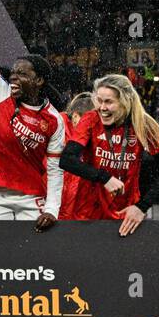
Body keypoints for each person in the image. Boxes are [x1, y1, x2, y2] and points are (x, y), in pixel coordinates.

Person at [0, 0, 67, 229]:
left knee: (31, 261)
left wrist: (52, 209)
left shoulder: (54, 120)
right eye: (12, 73)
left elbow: (55, 169)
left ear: (39, 81)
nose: (14, 78)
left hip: (31, 198)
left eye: (22, 74)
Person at [60, 74, 159, 236]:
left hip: (126, 217)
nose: (102, 107)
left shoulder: (143, 124)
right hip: (88, 213)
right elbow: (67, 159)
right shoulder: (91, 119)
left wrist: (142, 207)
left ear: (125, 102)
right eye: (99, 100)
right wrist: (104, 178)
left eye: (109, 102)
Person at [58, 92, 94, 221]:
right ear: (74, 116)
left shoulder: (94, 137)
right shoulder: (57, 128)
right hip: (53, 203)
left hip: (80, 210)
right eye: (85, 121)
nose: (88, 126)